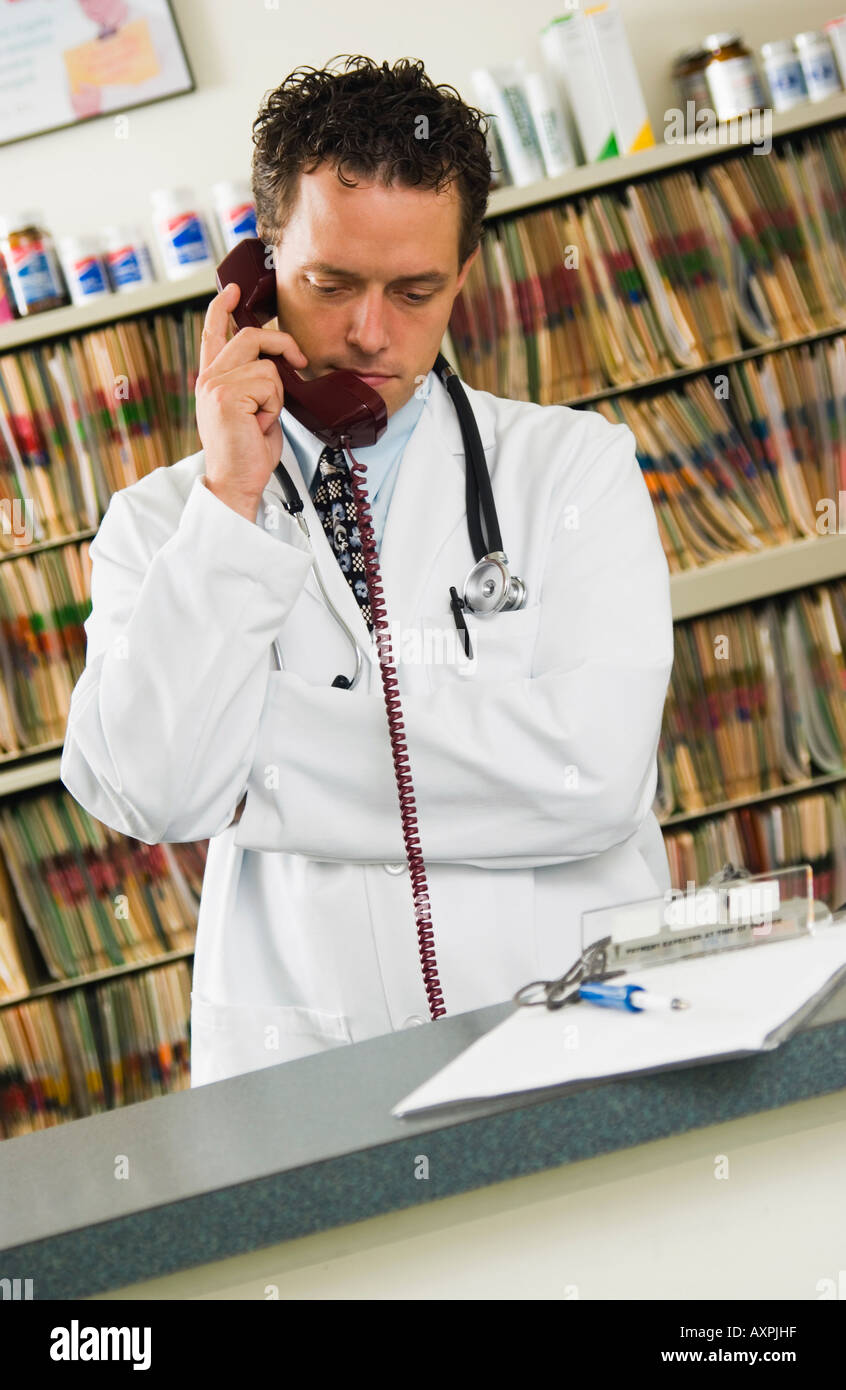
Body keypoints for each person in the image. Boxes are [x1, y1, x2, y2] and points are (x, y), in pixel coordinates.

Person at [61, 55, 675, 1088]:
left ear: (464, 275)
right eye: (330, 284)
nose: (371, 333)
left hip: (578, 1034)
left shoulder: (575, 470)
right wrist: (231, 501)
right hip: (306, 1074)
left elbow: (595, 776)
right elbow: (153, 789)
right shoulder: (164, 523)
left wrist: (253, 763)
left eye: (416, 289)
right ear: (253, 277)